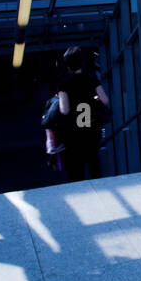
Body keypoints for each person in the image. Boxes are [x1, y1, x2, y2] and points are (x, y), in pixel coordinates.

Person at [55, 46, 109, 182]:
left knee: (75, 171)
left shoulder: (64, 85)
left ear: (67, 65)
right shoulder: (91, 79)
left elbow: (64, 110)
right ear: (81, 62)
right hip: (91, 129)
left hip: (73, 133)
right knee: (94, 165)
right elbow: (104, 100)